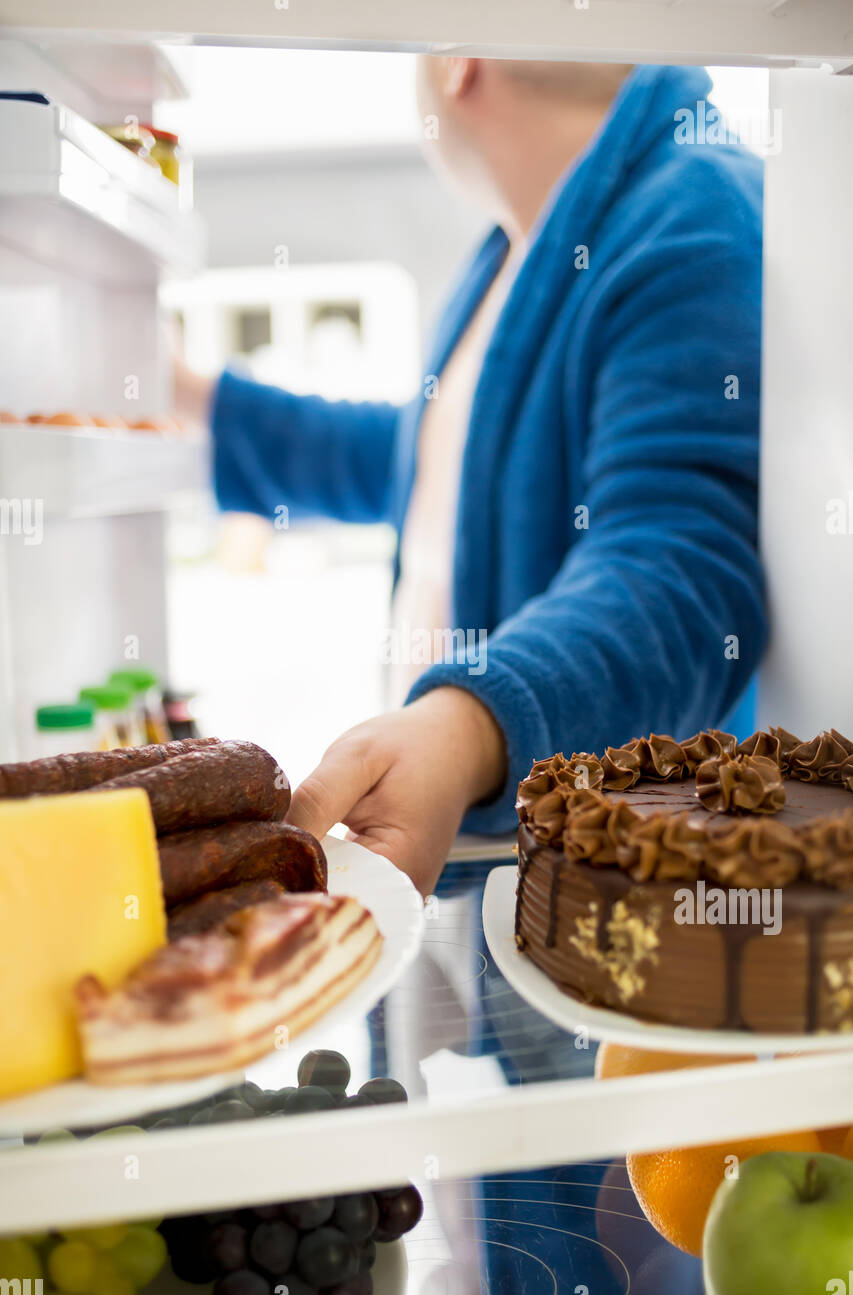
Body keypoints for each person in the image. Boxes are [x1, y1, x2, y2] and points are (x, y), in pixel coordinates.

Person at [176, 59, 764, 894]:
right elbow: (446, 476)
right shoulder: (518, 242)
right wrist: (201, 402)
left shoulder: (698, 219)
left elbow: (680, 569)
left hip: (616, 890)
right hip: (474, 838)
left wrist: (463, 730)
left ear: (457, 64)